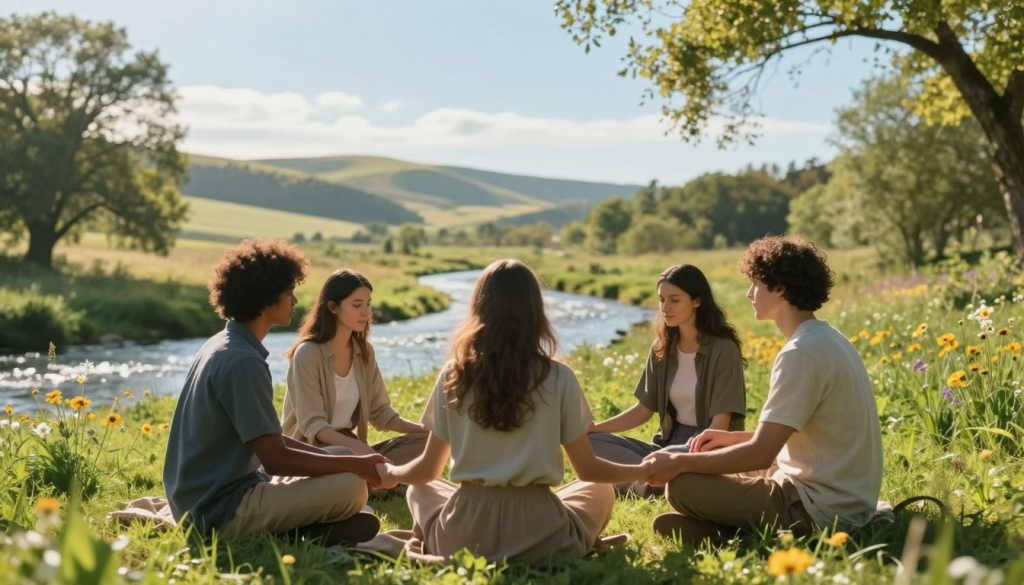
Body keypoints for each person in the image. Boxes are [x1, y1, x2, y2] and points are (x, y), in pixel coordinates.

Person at [374, 259, 652, 562]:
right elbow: (589, 470)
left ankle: (438, 540)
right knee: (599, 490)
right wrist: (644, 470)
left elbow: (427, 470)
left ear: (479, 309)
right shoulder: (559, 377)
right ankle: (560, 546)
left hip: (464, 533)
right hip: (543, 532)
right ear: (536, 312)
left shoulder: (455, 374)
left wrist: (391, 472)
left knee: (420, 489)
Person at [645, 236, 883, 543]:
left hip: (818, 508)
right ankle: (732, 532)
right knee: (691, 452)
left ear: (780, 289)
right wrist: (732, 439)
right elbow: (800, 437)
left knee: (681, 483)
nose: (749, 293)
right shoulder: (828, 338)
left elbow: (760, 454)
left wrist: (678, 464)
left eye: (756, 284)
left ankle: (742, 535)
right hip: (838, 494)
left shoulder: (801, 353)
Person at [163, 239, 387, 545]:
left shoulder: (224, 344)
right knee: (352, 485)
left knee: (341, 454)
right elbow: (275, 459)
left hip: (207, 497)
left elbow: (268, 437)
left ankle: (303, 530)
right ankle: (294, 535)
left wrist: (348, 459)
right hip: (218, 512)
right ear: (267, 298)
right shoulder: (243, 362)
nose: (295, 300)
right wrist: (353, 466)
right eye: (288, 292)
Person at [588, 264, 746, 495]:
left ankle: (644, 482)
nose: (665, 308)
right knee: (592, 443)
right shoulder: (662, 348)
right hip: (667, 444)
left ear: (697, 301)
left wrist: (674, 457)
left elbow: (719, 428)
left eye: (674, 300)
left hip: (705, 447)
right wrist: (593, 429)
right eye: (661, 300)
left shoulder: (723, 350)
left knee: (665, 461)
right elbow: (643, 411)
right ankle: (650, 482)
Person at [281, 269, 428, 491]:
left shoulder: (364, 351)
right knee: (346, 454)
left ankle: (372, 483)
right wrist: (359, 449)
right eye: (357, 305)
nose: (366, 312)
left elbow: (381, 414)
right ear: (332, 307)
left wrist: (428, 432)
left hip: (352, 448)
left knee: (427, 444)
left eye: (368, 304)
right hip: (315, 451)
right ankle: (379, 483)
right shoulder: (307, 354)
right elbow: (314, 426)